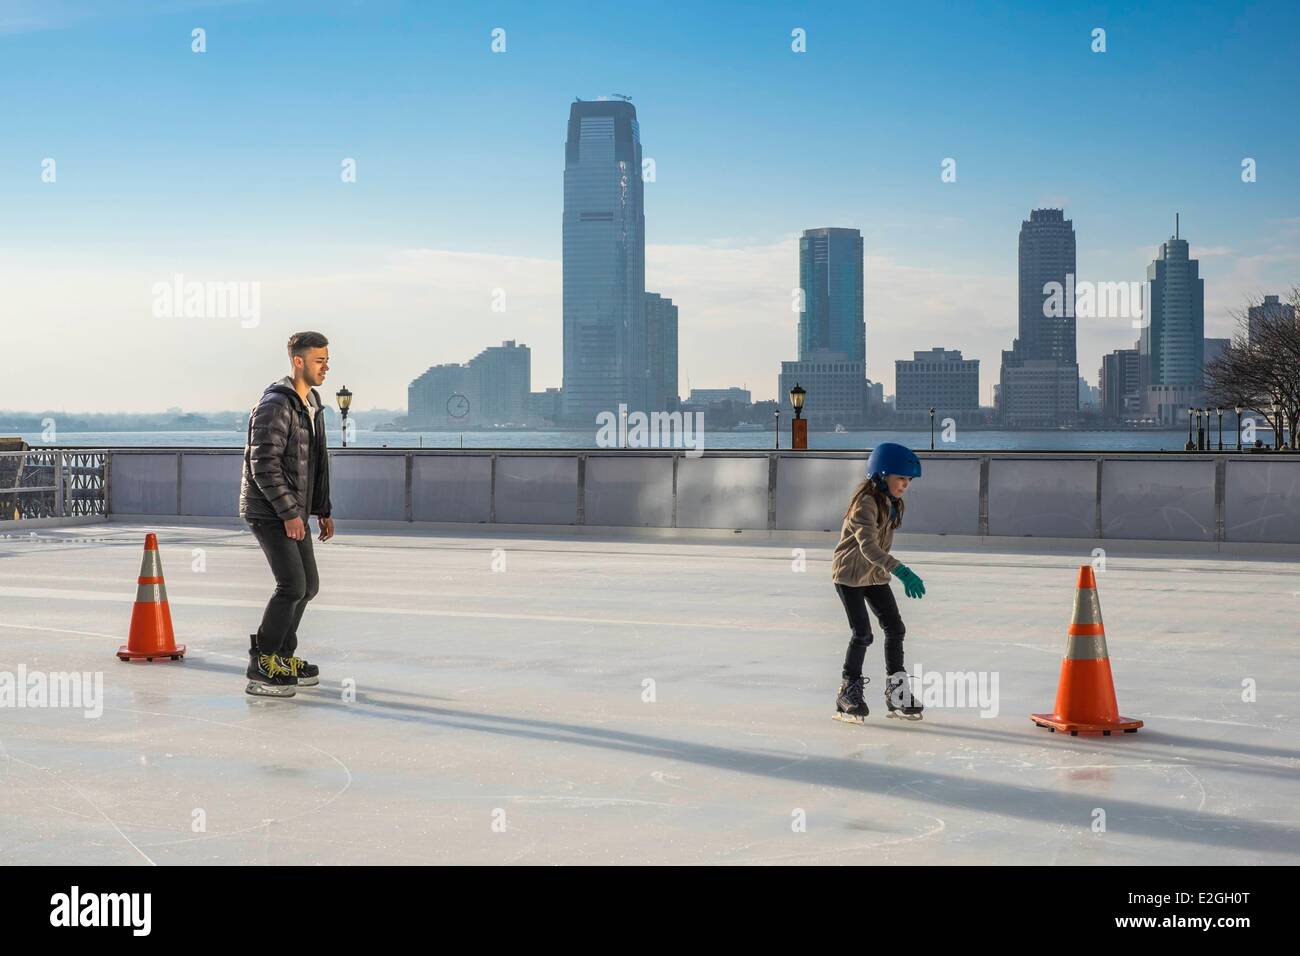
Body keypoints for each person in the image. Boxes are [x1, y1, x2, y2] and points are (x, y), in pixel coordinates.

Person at [238, 331, 335, 697]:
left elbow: (317, 463)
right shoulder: (276, 405)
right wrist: (289, 513)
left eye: (327, 360)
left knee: (308, 586)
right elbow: (263, 464)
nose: (325, 367)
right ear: (298, 361)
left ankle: (282, 656)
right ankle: (262, 663)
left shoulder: (311, 402)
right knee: (291, 585)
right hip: (269, 510)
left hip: (293, 511)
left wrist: (321, 508)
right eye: (319, 360)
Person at [829, 441, 926, 723]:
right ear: (881, 475)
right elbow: (868, 548)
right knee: (863, 634)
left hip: (874, 576)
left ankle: (897, 693)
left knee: (895, 629)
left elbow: (875, 555)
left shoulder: (892, 504)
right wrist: (902, 571)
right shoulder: (865, 504)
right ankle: (848, 691)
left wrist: (889, 570)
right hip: (849, 576)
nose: (905, 484)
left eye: (908, 480)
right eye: (900, 478)